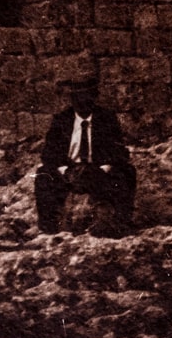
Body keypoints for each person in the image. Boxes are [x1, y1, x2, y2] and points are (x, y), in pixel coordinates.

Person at [35, 78, 136, 235]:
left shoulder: (106, 118)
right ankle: (48, 228)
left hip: (97, 170)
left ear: (94, 98)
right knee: (43, 175)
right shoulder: (61, 120)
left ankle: (120, 224)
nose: (82, 103)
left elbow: (119, 152)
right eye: (77, 99)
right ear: (72, 100)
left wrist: (103, 169)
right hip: (69, 170)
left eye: (87, 98)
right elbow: (48, 154)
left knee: (127, 172)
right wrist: (65, 171)